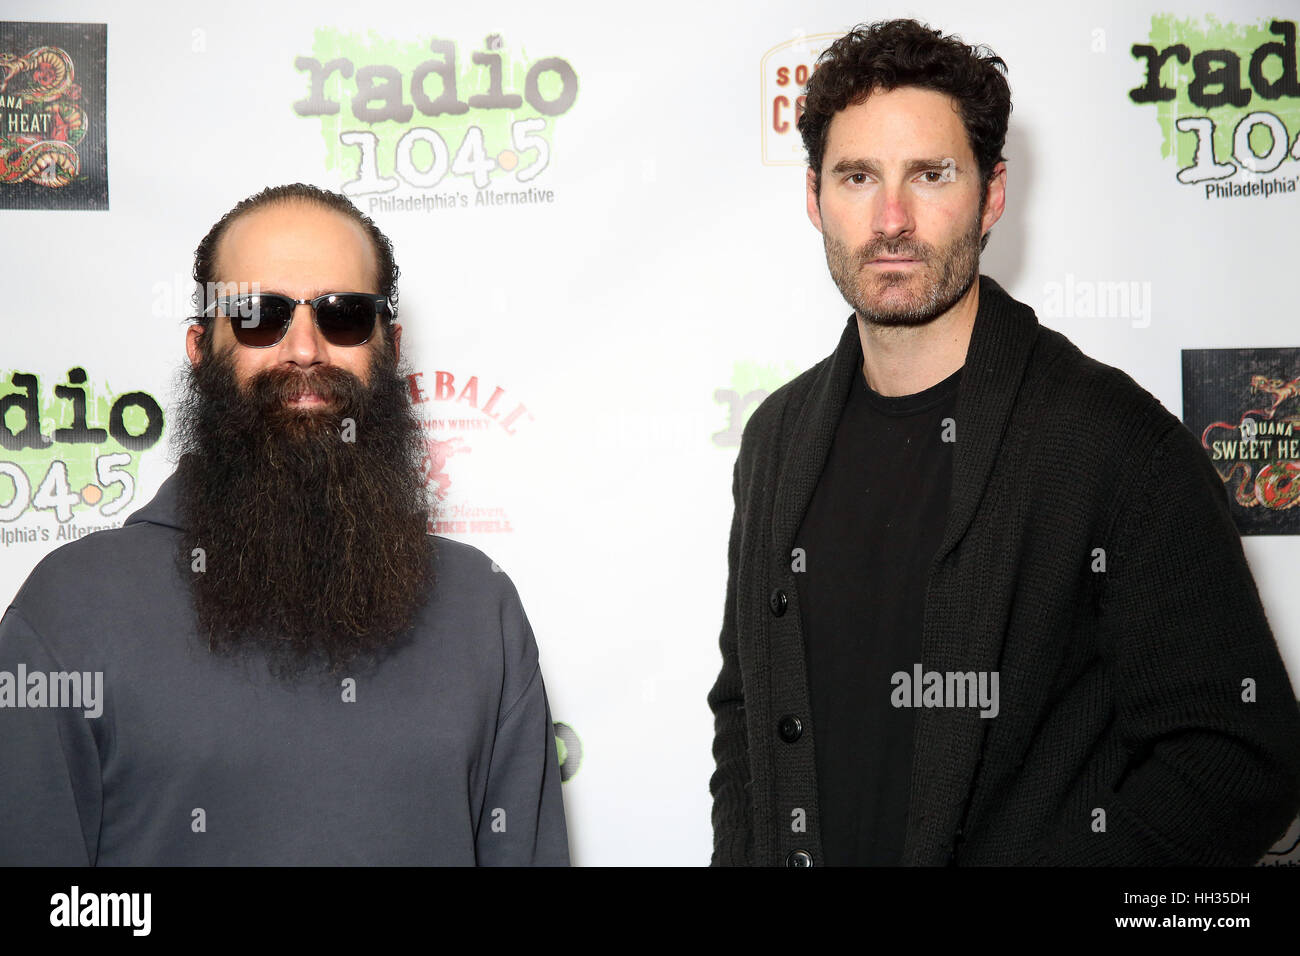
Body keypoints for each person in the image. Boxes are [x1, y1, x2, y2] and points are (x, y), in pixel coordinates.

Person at [708, 19, 1300, 867]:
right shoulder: (775, 440)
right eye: (856, 177)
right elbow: (746, 712)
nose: (891, 219)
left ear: (990, 195)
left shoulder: (1113, 442)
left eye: (930, 174)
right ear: (814, 199)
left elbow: (1238, 758)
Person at [0, 183, 569, 865]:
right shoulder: (72, 608)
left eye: (345, 316)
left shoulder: (482, 608)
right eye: (256, 316)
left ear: (388, 344)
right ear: (200, 346)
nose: (304, 349)